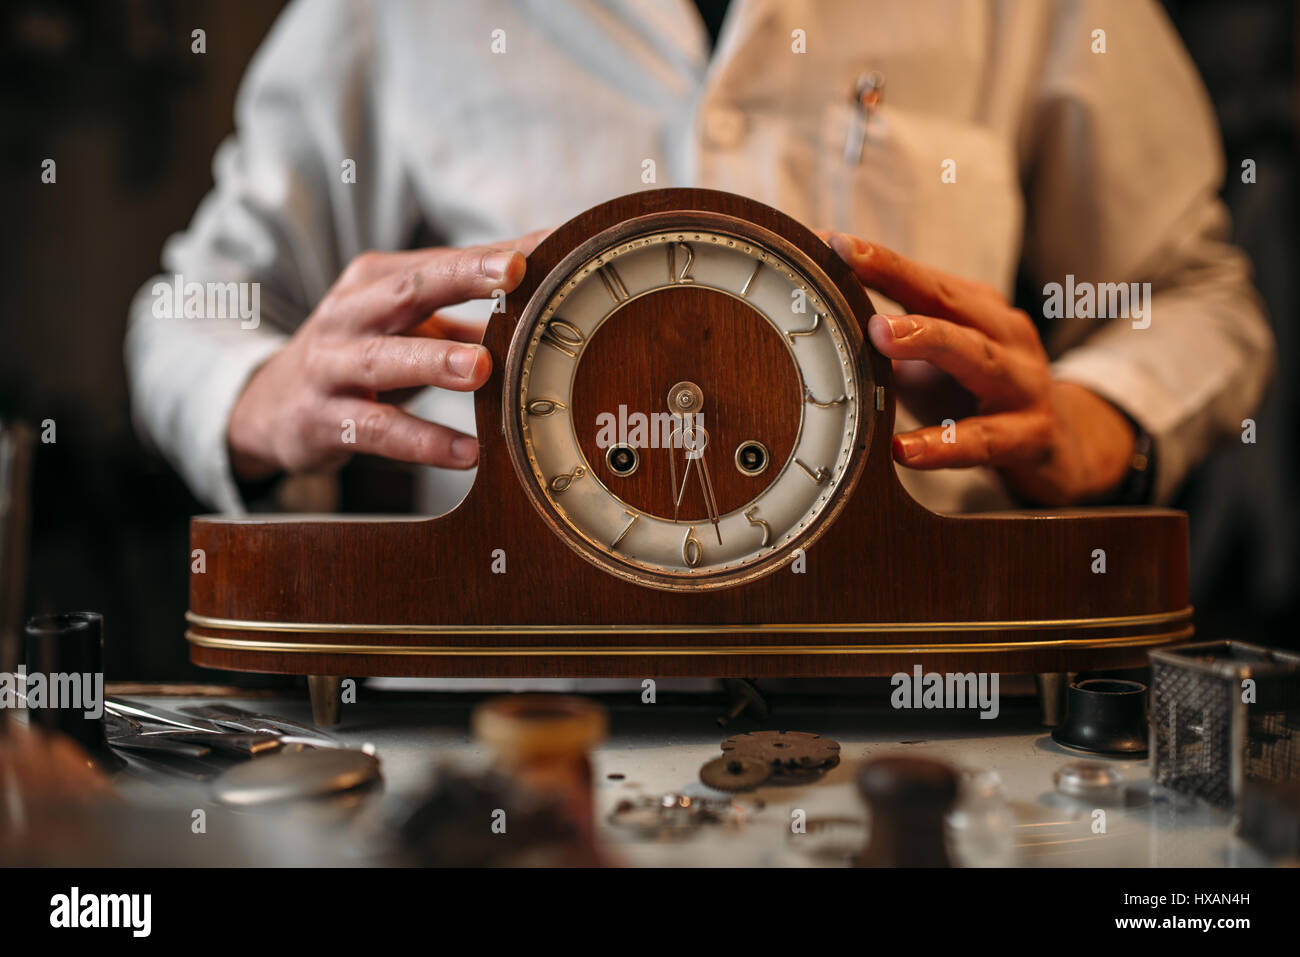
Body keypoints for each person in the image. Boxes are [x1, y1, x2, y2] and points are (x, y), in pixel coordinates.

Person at [125, 0, 1273, 518]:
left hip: (920, 706)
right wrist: (258, 395)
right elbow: (195, 310)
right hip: (516, 726)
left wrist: (1093, 419)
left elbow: (1194, 295)